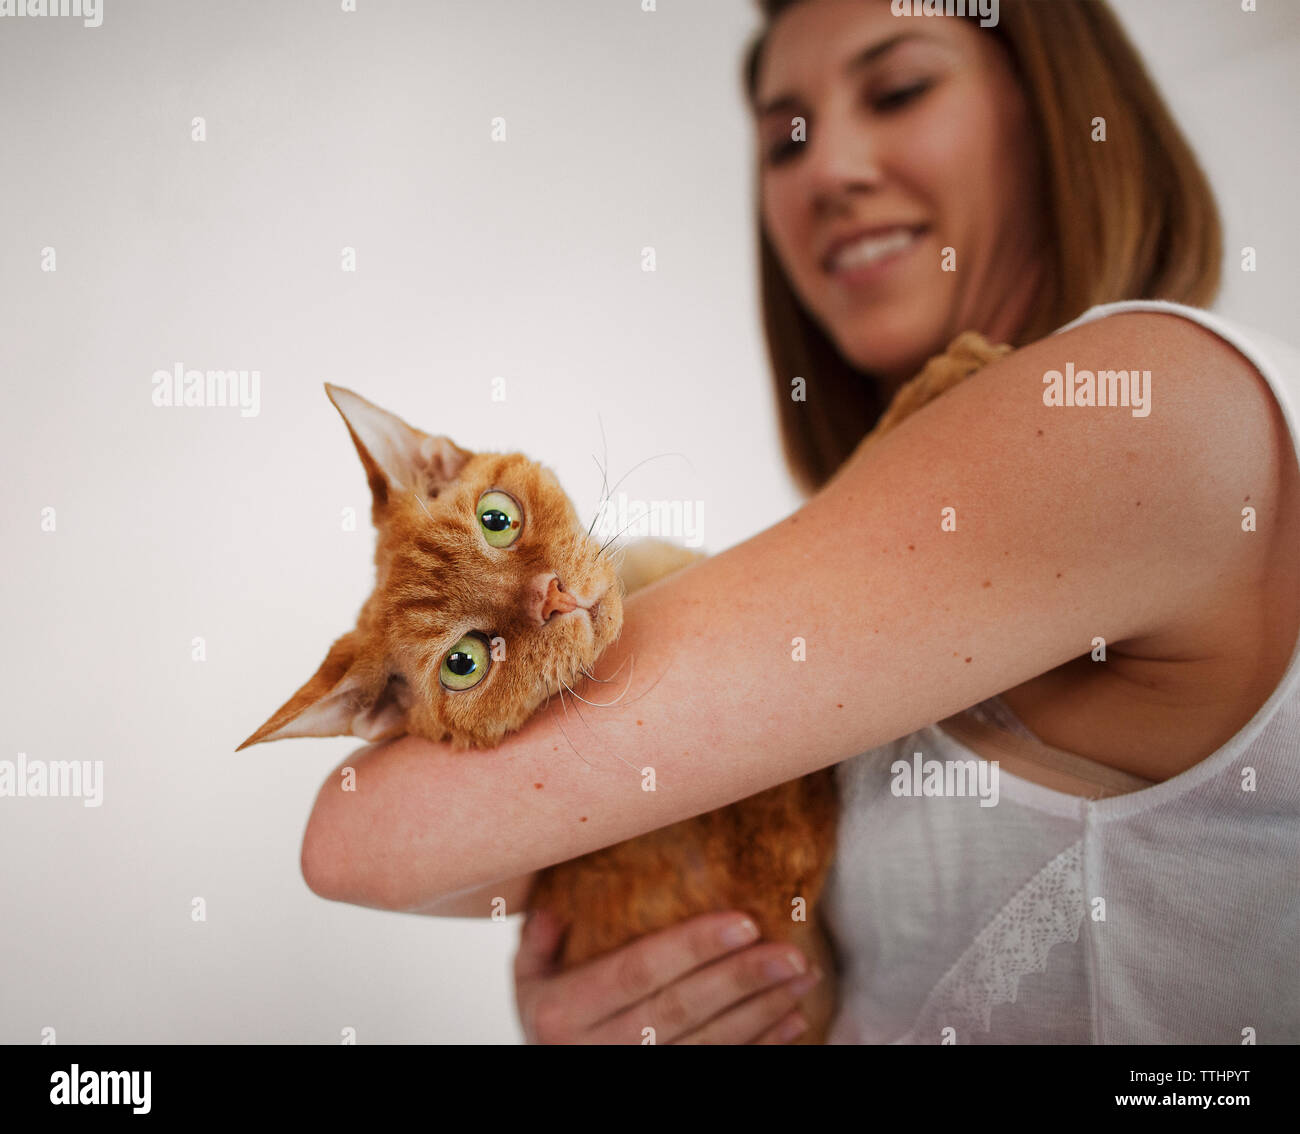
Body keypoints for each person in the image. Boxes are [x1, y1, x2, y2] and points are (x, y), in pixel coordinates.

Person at [297, 0, 1300, 1044]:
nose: (826, 170)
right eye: (785, 137)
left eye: (900, 88)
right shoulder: (943, 542)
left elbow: (362, 837)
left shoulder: (1136, 404)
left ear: (1054, 105)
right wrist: (636, 977)